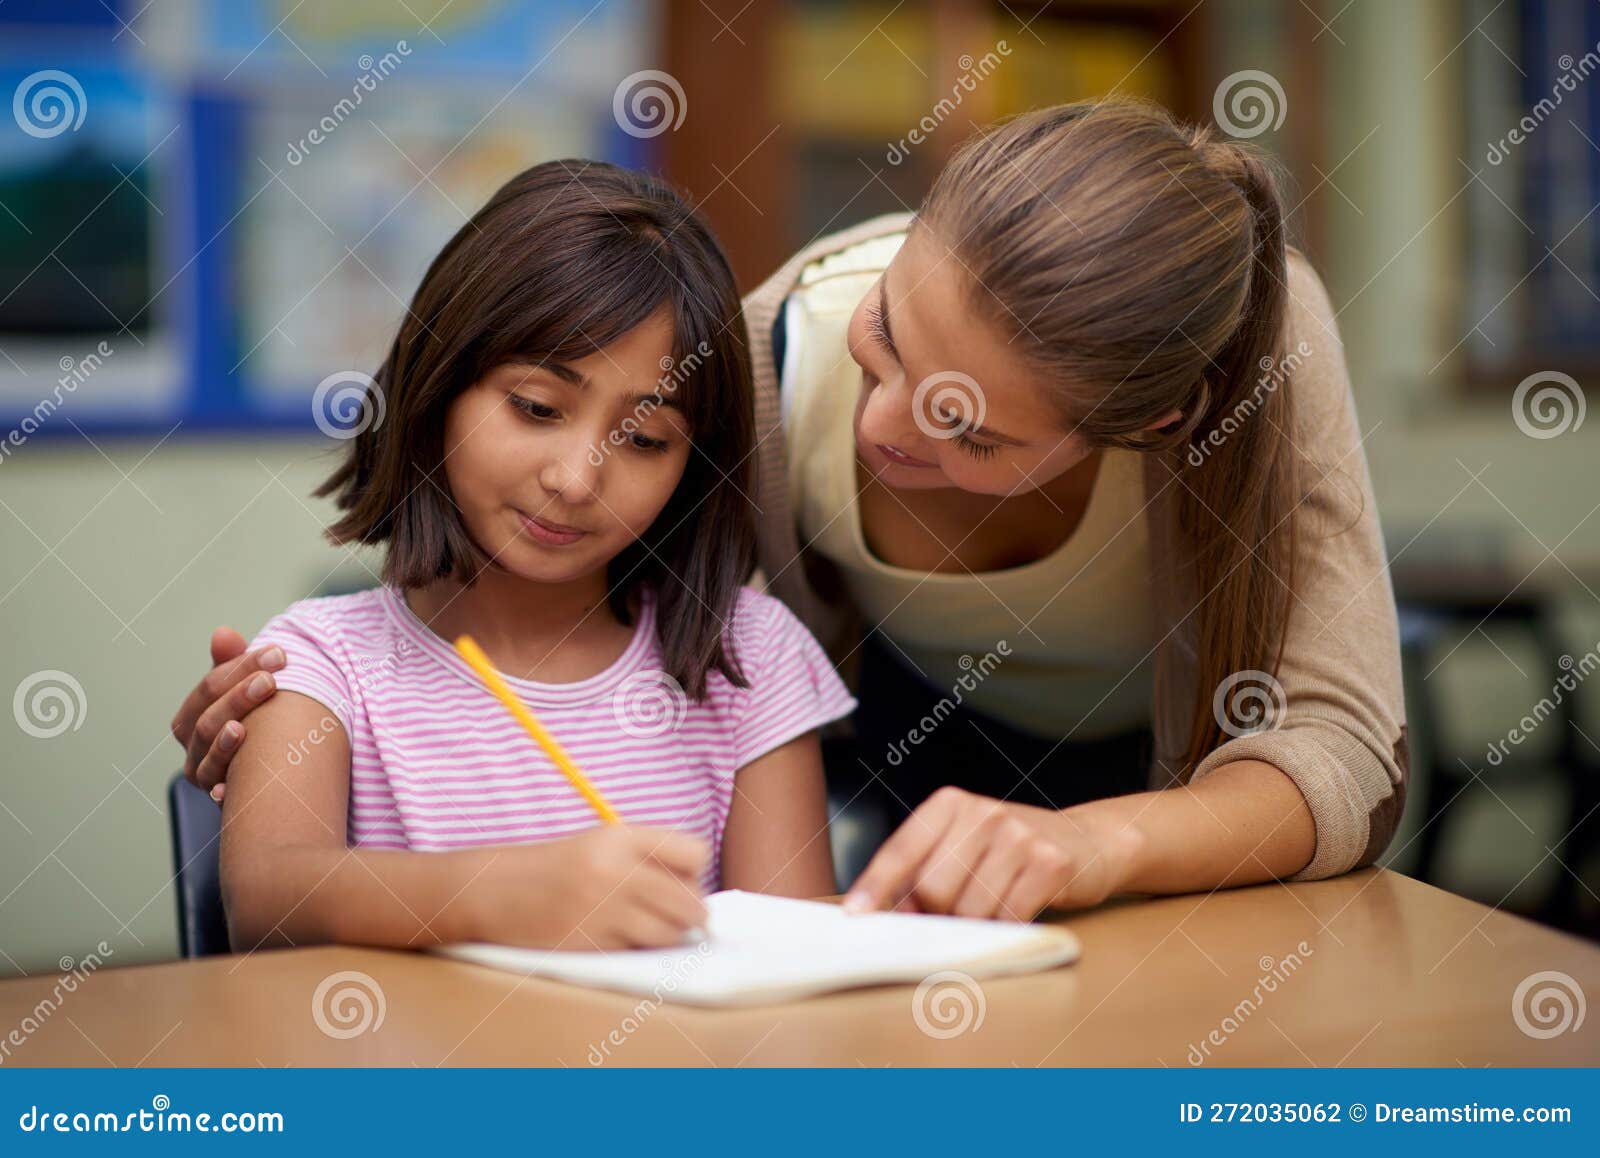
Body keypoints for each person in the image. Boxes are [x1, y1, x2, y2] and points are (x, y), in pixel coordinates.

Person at [177, 99, 1406, 924]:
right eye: (888, 334)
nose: (881, 432)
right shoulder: (750, 368)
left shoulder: (1253, 361)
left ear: (1155, 425)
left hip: (1162, 828)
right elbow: (280, 883)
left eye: (973, 435)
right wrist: (305, 733)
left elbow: (1342, 752)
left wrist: (1096, 842)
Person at [218, 160, 854, 953]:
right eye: (537, 407)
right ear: (437, 383)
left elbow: (793, 959)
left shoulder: (749, 657)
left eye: (645, 440)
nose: (576, 480)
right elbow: (267, 898)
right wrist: (499, 894)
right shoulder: (323, 661)